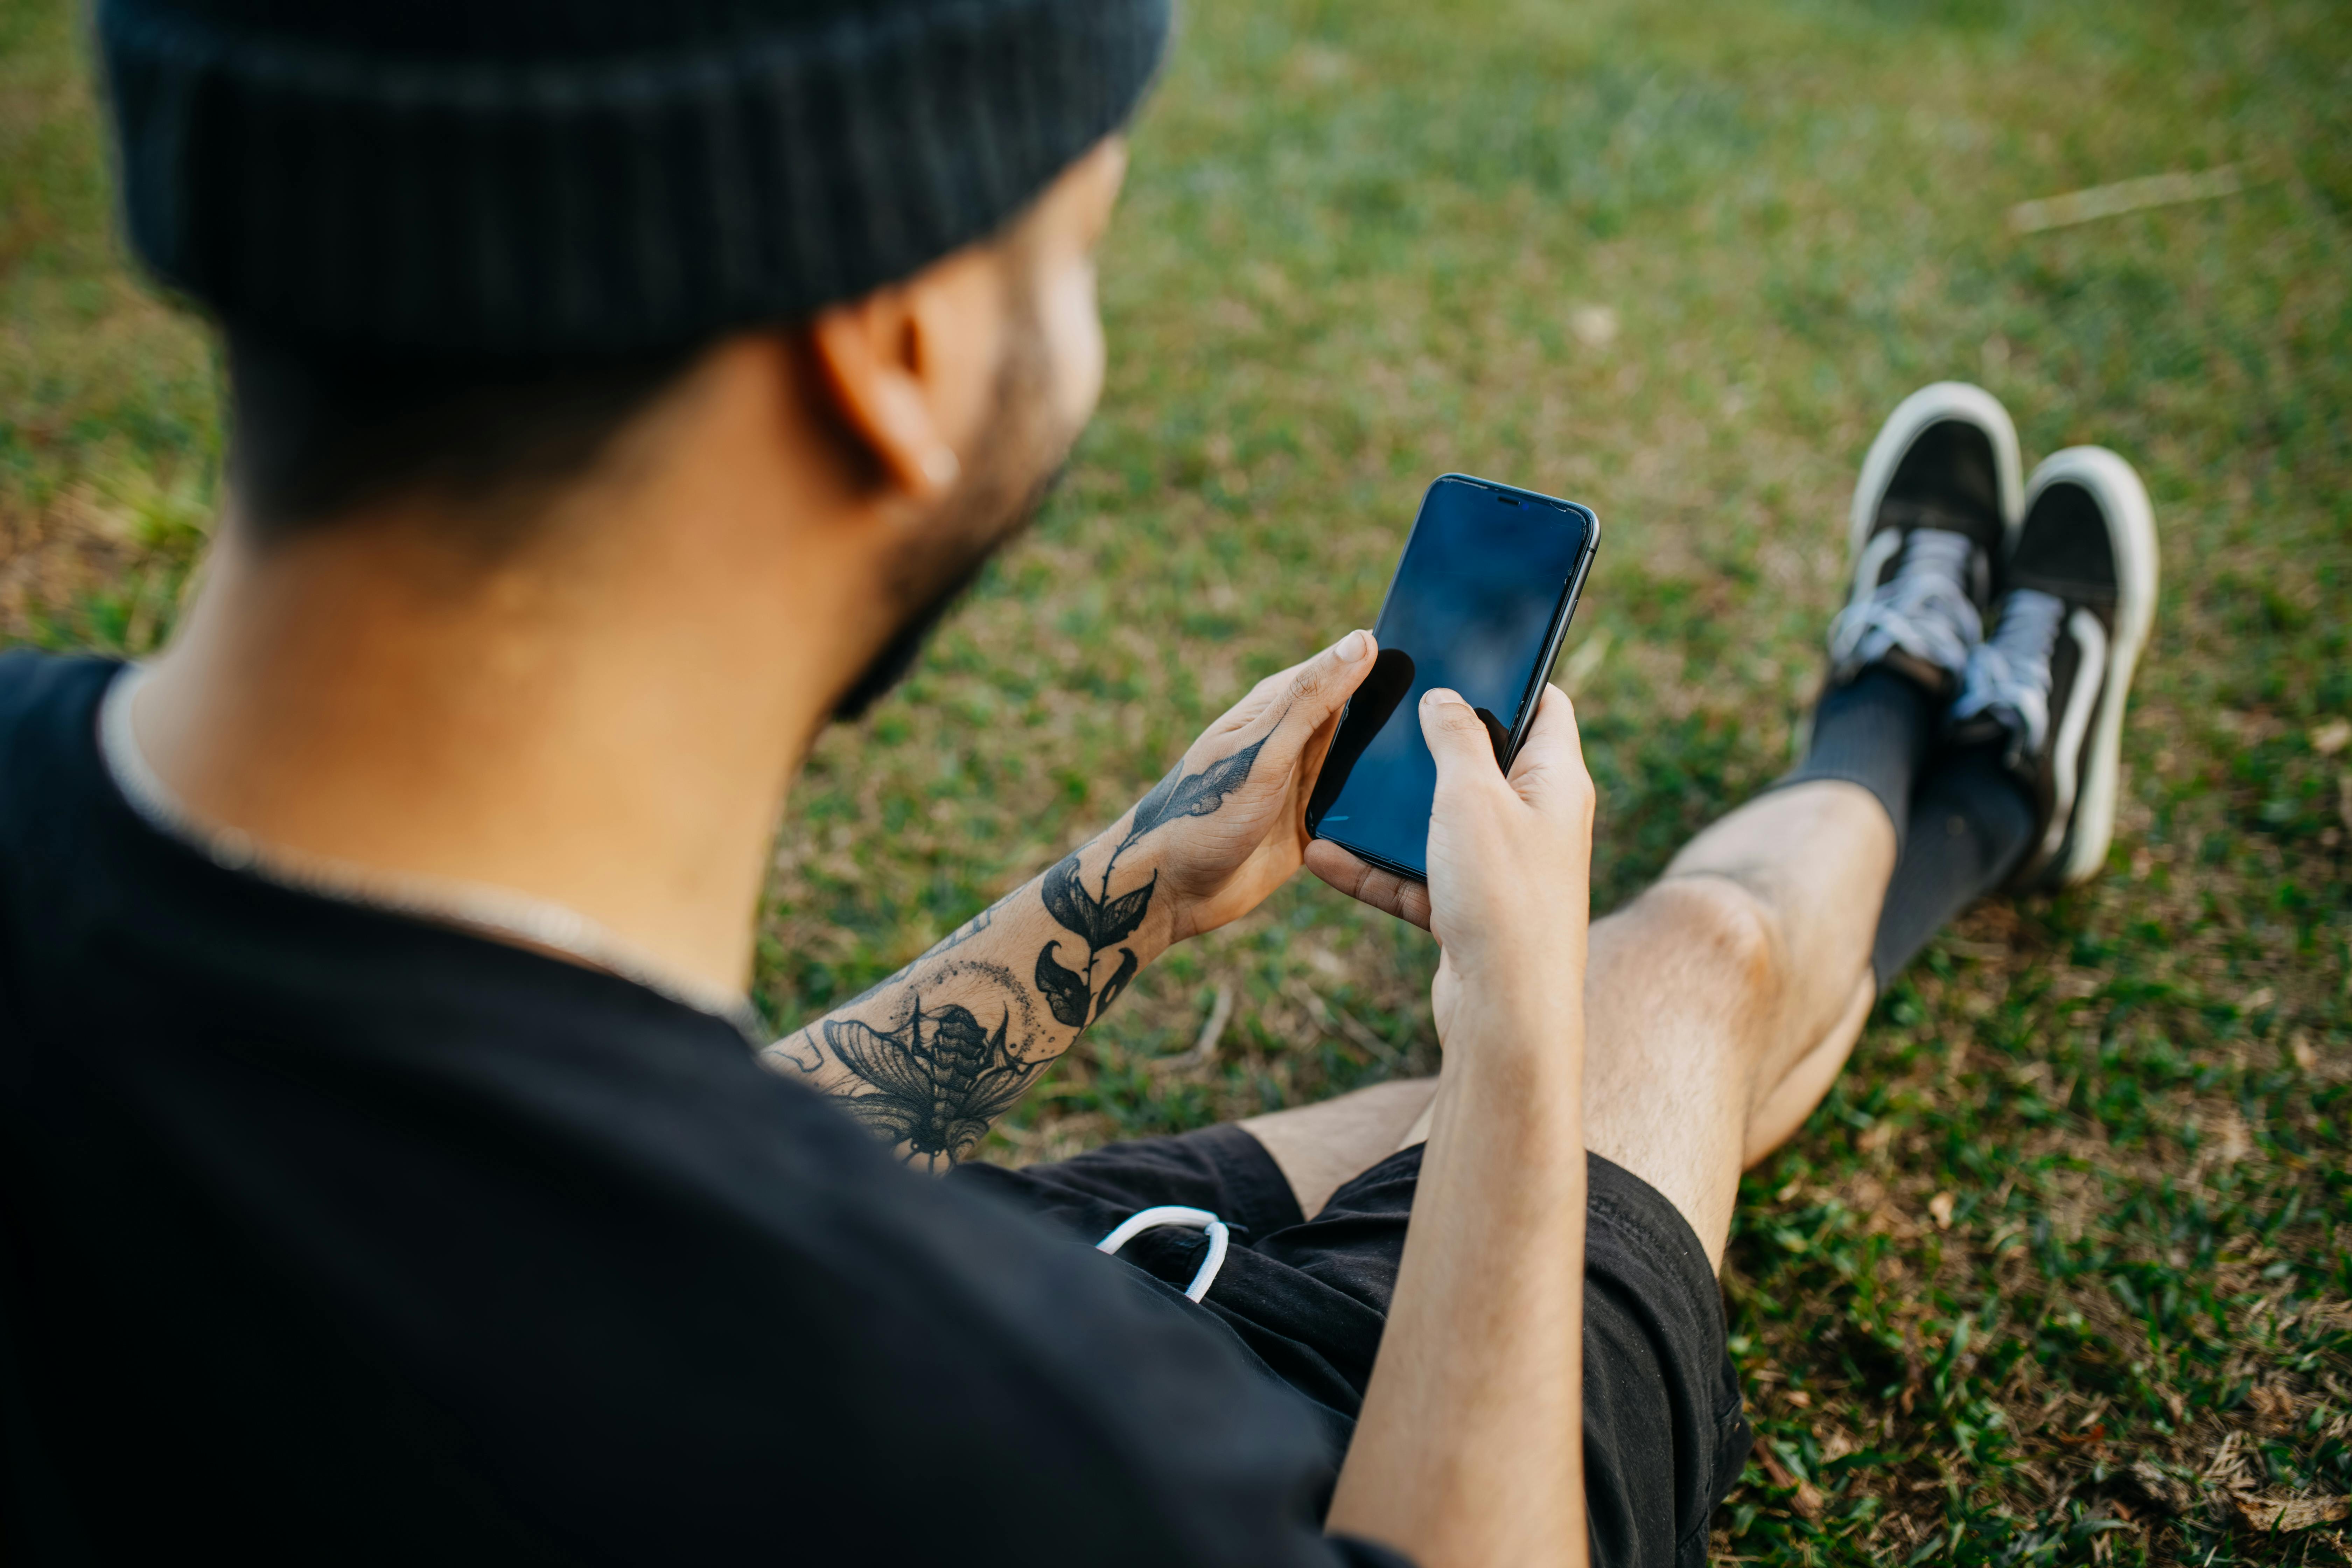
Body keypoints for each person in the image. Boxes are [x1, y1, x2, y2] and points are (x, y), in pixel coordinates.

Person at [0, 0, 2157, 1562]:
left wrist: (1103, 897)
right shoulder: (985, 1458)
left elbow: (574, 1172)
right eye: (1082, 241)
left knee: (1657, 1008)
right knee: (1673, 960)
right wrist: (1513, 1050)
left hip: (1040, 1264)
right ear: (902, 349)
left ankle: (1960, 759)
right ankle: (1929, 755)